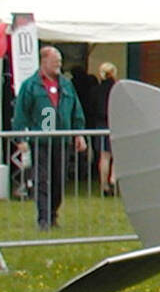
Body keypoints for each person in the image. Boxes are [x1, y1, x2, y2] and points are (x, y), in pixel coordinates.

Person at [12, 46, 87, 231]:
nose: (58, 65)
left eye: (60, 62)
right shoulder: (31, 85)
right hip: (41, 141)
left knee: (59, 180)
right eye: (55, 61)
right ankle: (43, 219)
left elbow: (76, 109)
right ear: (44, 61)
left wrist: (79, 133)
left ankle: (53, 214)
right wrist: (20, 137)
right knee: (42, 180)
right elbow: (21, 112)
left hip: (61, 141)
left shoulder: (66, 85)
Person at [89, 62, 117, 195]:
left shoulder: (95, 90)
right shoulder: (117, 89)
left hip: (101, 124)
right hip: (116, 124)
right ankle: (113, 178)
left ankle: (104, 185)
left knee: (104, 156)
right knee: (117, 155)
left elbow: (91, 108)